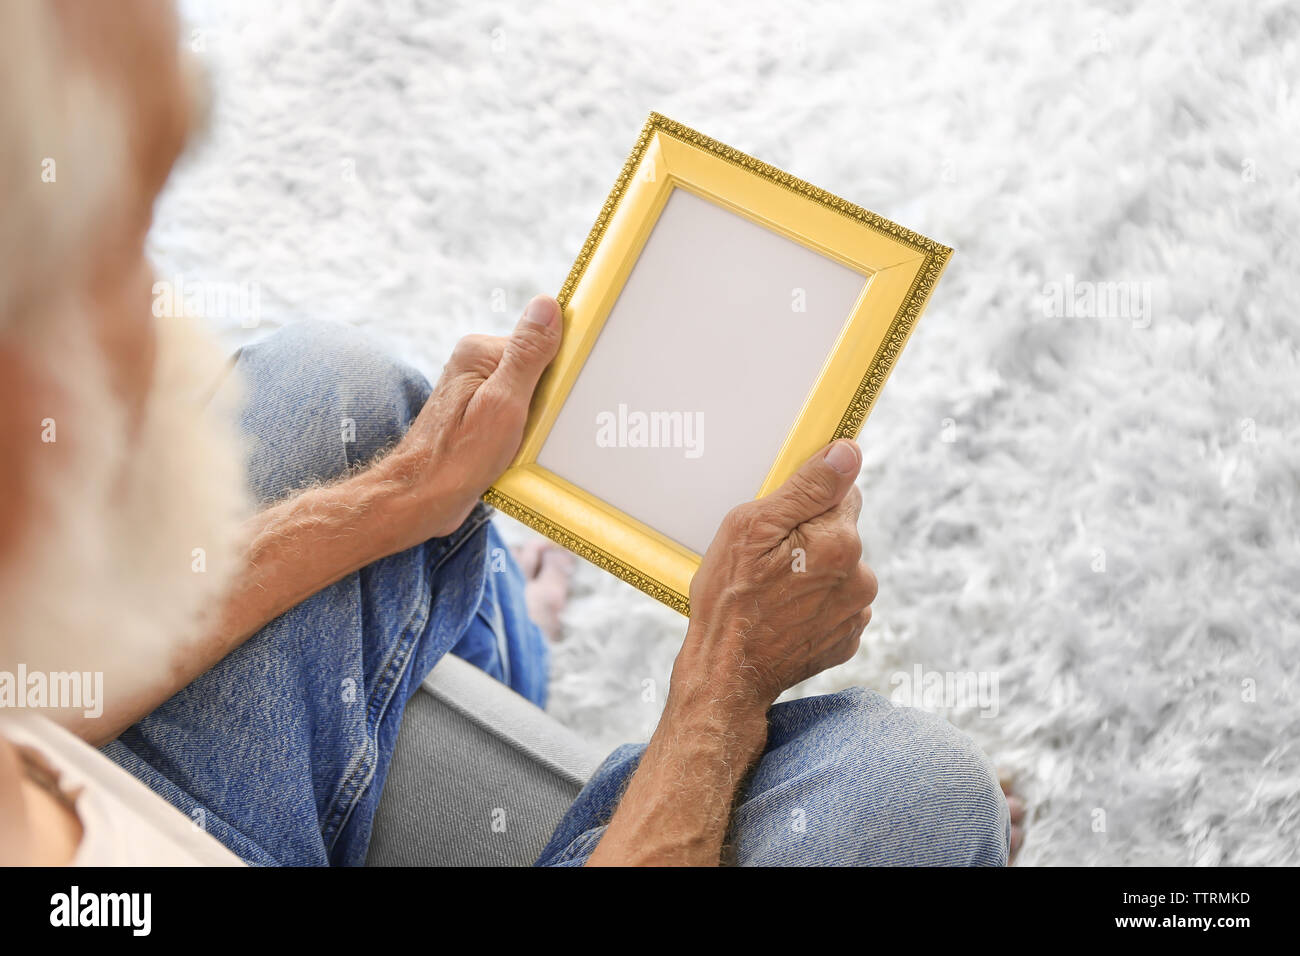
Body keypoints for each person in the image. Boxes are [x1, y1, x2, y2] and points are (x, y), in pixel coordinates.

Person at [0, 0, 1019, 866]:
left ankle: (503, 645)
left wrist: (400, 494)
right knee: (912, 794)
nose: (165, 315)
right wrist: (719, 693)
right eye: (111, 251)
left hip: (104, 793)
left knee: (336, 386)